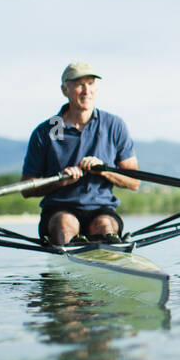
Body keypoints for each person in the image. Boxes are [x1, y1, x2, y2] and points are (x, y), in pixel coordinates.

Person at [22, 62, 141, 245]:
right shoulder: (45, 131)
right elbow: (26, 188)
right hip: (59, 209)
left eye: (91, 83)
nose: (87, 91)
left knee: (104, 226)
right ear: (65, 90)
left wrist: (104, 171)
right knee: (65, 224)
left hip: (101, 208)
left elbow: (134, 182)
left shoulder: (114, 125)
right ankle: (70, 257)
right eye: (79, 85)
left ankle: (109, 257)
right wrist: (60, 180)